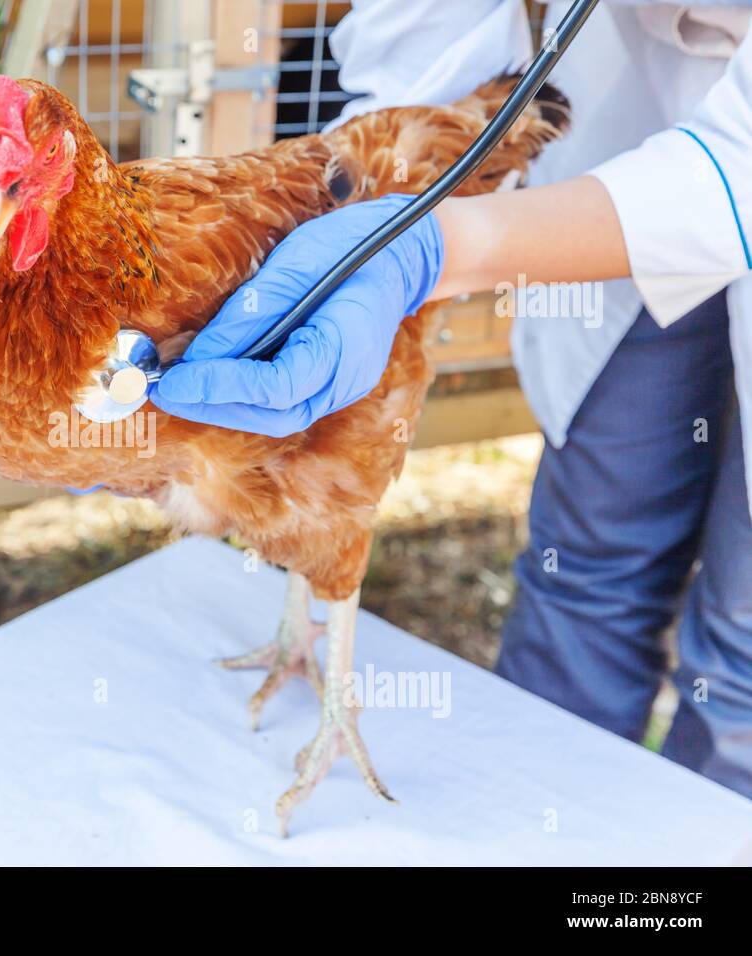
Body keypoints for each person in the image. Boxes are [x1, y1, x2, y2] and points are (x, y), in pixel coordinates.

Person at [150, 1, 752, 799]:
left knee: (745, 644)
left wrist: (431, 248)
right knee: (588, 563)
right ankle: (541, 833)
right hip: (638, 93)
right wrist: (382, 189)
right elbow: (425, 25)